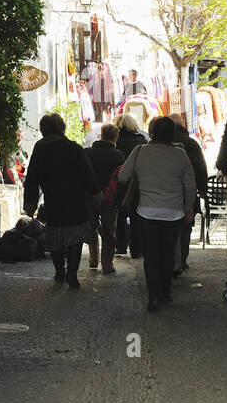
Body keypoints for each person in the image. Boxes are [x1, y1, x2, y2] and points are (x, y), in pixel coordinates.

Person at [117, 115, 196, 312]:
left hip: (146, 212)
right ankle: (166, 292)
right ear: (172, 134)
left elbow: (122, 176)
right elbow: (190, 184)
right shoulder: (180, 155)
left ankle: (153, 296)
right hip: (173, 213)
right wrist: (188, 207)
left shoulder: (139, 151)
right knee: (168, 254)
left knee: (151, 256)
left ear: (152, 132)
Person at [23, 113, 102, 289]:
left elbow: (32, 178)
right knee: (75, 238)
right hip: (76, 201)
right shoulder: (73, 148)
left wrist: (30, 203)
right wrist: (96, 194)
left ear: (43, 130)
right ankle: (72, 274)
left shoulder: (40, 149)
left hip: (53, 201)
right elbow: (87, 174)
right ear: (62, 128)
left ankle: (60, 272)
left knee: (55, 239)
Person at [84, 123, 124, 274]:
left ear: (101, 135)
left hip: (90, 196)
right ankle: (107, 264)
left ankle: (93, 259)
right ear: (115, 137)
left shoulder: (87, 152)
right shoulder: (118, 155)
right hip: (110, 198)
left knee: (92, 228)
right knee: (109, 230)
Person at [171, 114, 209, 275]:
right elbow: (201, 167)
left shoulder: (168, 143)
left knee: (172, 227)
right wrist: (202, 189)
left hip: (172, 192)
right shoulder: (192, 143)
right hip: (189, 192)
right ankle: (183, 260)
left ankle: (173, 261)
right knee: (186, 226)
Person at [114, 112, 148, 258]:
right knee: (136, 215)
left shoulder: (116, 142)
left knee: (120, 214)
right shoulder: (141, 141)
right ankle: (136, 249)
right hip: (137, 183)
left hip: (120, 182)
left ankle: (121, 246)